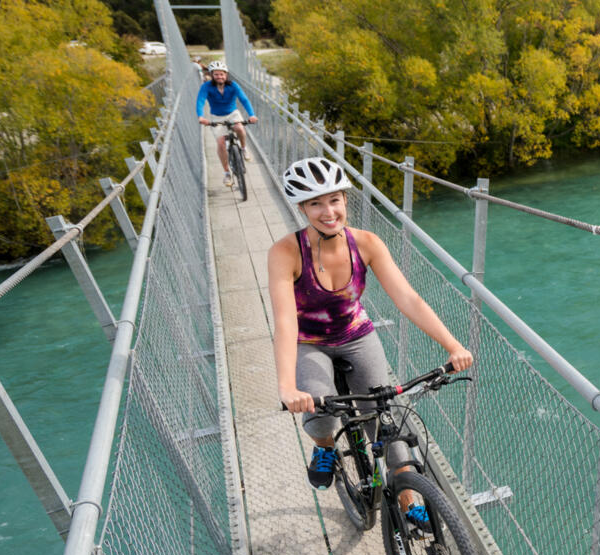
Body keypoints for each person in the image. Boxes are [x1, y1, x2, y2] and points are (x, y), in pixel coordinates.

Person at [269, 155, 474, 512]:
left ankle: (409, 497)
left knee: (387, 418)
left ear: (346, 201)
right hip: (310, 342)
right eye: (316, 203)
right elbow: (286, 321)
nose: (328, 211)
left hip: (356, 334)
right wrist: (288, 387)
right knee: (321, 408)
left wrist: (452, 344)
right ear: (303, 208)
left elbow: (407, 298)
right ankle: (325, 447)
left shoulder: (366, 243)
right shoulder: (285, 253)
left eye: (334, 200)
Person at [196, 60, 257, 188]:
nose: (219, 77)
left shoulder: (233, 86)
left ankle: (244, 149)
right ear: (212, 75)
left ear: (226, 75)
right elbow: (200, 101)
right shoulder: (206, 87)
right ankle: (226, 172)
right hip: (216, 116)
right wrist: (201, 117)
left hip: (232, 113)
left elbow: (244, 100)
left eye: (222, 74)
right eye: (216, 74)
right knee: (221, 143)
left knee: (239, 127)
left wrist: (251, 115)